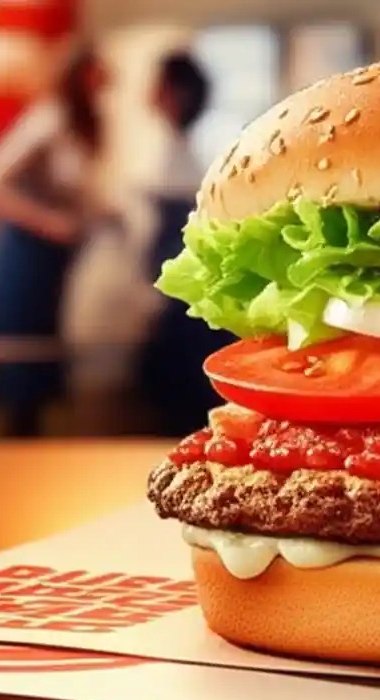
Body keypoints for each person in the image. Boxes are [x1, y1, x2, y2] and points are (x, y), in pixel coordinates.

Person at [0, 44, 110, 436]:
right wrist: (47, 221)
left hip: (55, 259)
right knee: (22, 357)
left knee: (45, 355)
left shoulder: (80, 125)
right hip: (25, 253)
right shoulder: (46, 121)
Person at [138, 50, 232, 436]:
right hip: (178, 297)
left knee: (176, 399)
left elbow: (164, 241)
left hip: (178, 301)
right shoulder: (179, 148)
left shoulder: (178, 156)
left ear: (173, 92)